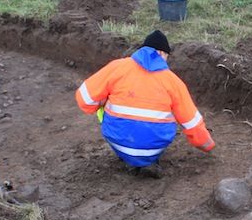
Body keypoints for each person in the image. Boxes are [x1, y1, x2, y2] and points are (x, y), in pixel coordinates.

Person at [75, 30, 215, 177]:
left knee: (108, 101)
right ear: (161, 53)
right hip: (153, 148)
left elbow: (84, 99)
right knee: (170, 111)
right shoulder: (172, 81)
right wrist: (207, 145)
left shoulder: (118, 67)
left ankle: (127, 155)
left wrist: (101, 104)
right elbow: (191, 122)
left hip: (118, 142)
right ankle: (148, 160)